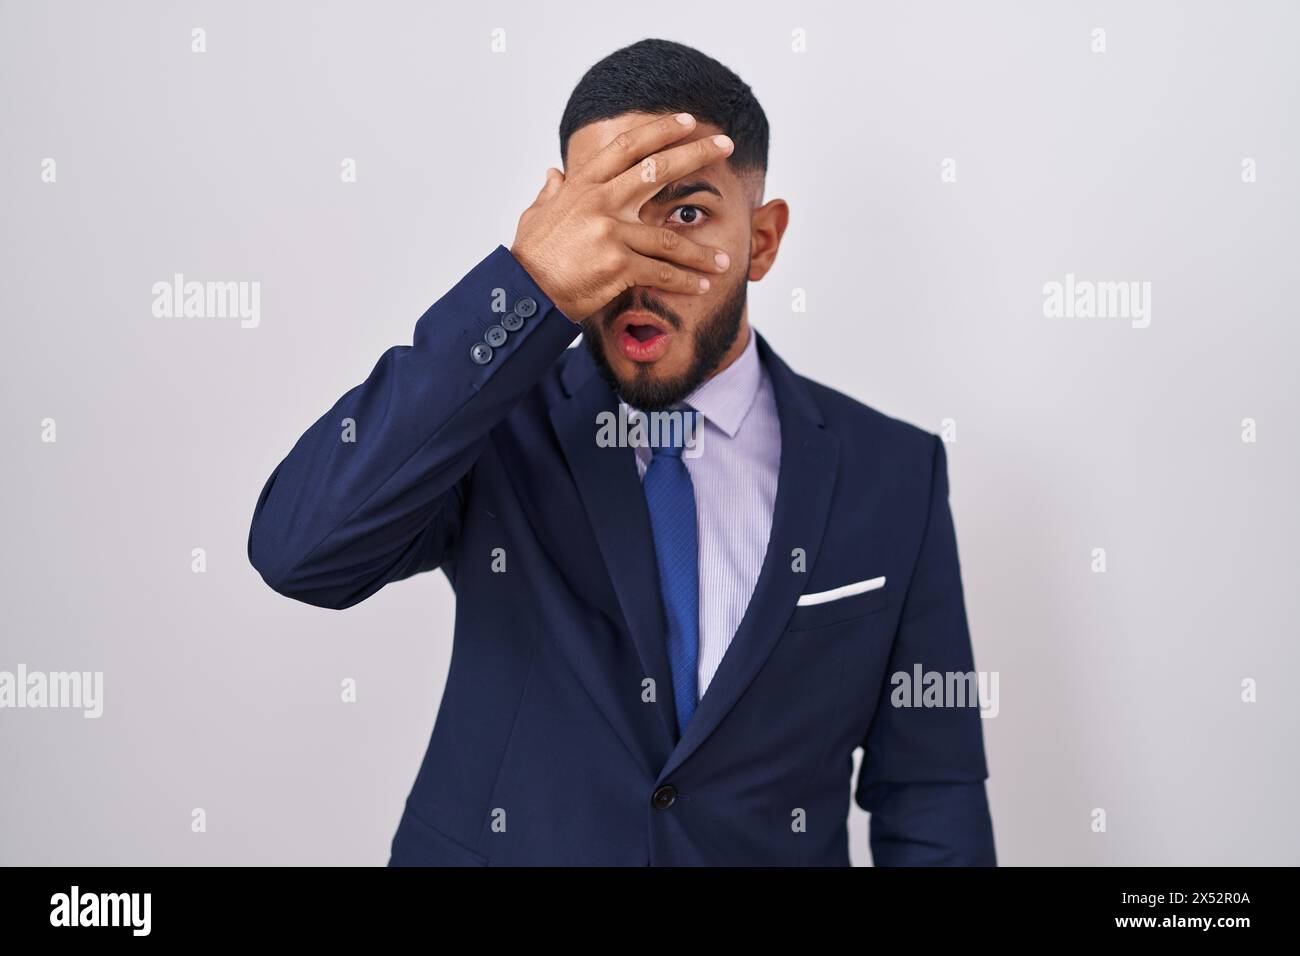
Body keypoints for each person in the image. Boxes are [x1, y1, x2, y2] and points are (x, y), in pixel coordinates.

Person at [248, 38, 995, 866]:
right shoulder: (492, 423)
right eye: (605, 220)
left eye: (684, 214)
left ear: (762, 240)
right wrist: (526, 284)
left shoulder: (895, 473)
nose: (635, 270)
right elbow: (299, 552)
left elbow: (930, 793)